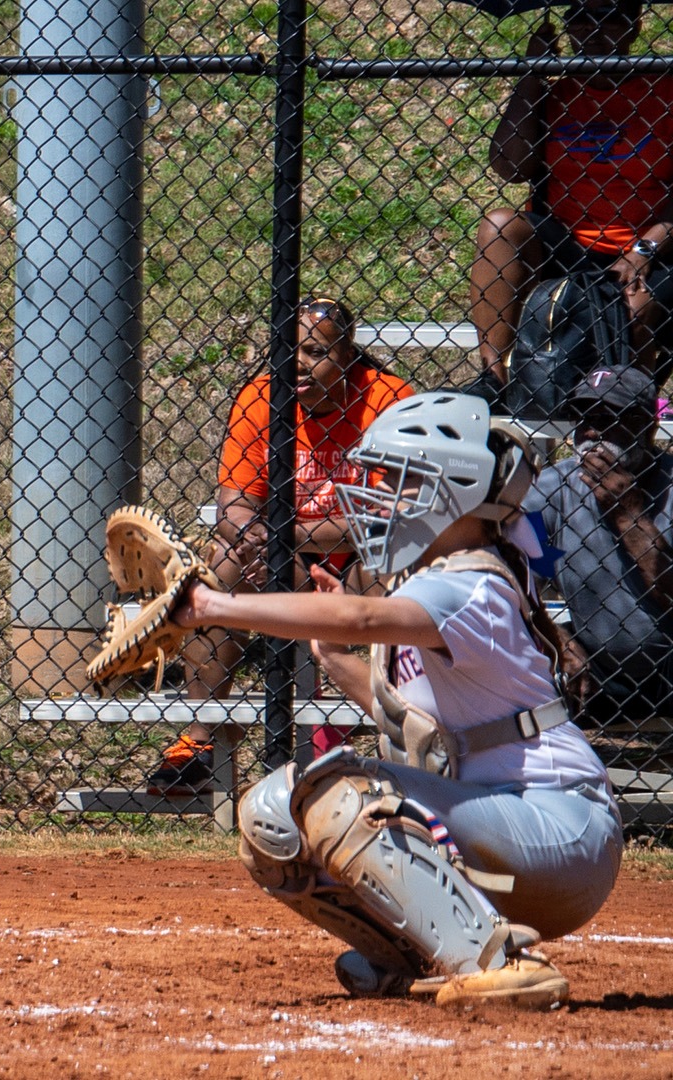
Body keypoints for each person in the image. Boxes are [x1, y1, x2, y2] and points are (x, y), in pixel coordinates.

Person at [173, 392, 622, 1008]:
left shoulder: (469, 582)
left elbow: (358, 615)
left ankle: (498, 962)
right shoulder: (431, 583)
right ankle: (414, 954)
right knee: (271, 815)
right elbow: (411, 722)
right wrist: (332, 658)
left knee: (338, 794)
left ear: (455, 496)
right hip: (505, 825)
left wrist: (211, 607)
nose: (384, 499)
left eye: (404, 483)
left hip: (563, 830)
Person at [148, 297, 413, 794]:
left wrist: (279, 531)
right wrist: (252, 537)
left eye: (314, 352)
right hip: (287, 561)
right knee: (223, 560)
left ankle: (385, 726)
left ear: (347, 352)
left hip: (363, 560)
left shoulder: (388, 400)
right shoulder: (262, 397)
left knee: (394, 565)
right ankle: (201, 737)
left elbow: (383, 519)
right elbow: (233, 506)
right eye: (289, 352)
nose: (299, 365)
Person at [470, 0, 673, 386]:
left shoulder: (665, 91)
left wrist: (645, 249)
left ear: (634, 26)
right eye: (580, 18)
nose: (593, 30)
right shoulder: (556, 93)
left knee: (634, 305)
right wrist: (532, 75)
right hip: (565, 241)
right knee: (499, 226)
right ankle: (493, 379)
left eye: (609, 18)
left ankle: (626, 407)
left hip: (650, 245)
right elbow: (509, 167)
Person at [523, 365, 673, 734]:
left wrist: (629, 517)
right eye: (583, 419)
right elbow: (513, 570)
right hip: (598, 665)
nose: (590, 432)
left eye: (607, 419)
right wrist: (554, 635)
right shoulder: (556, 485)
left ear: (646, 425)